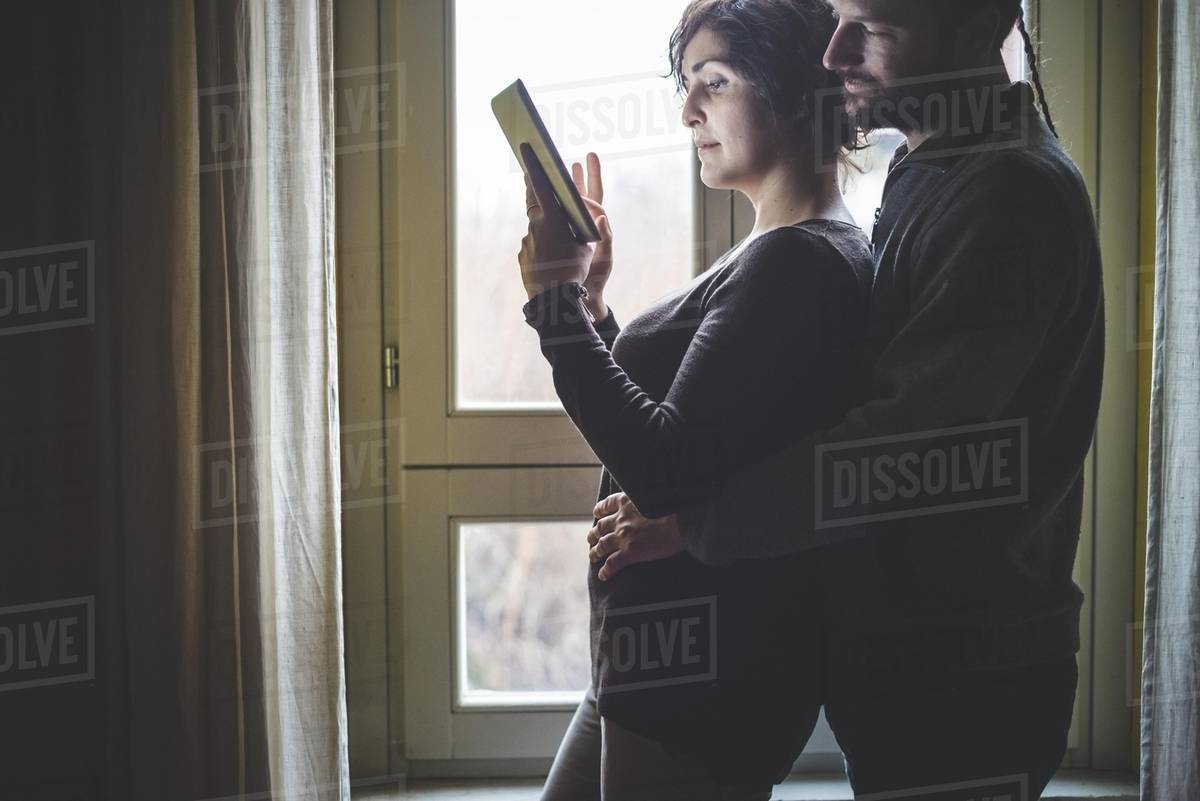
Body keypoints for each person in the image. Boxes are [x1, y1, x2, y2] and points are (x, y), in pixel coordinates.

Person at [584, 1, 1105, 798]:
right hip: (912, 671)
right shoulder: (935, 167)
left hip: (966, 685)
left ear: (979, 24)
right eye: (837, 18)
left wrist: (695, 522)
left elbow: (895, 451)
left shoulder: (1007, 197)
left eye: (874, 27)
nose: (834, 52)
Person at [514, 1, 874, 798]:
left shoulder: (800, 264)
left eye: (713, 83)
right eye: (687, 85)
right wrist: (590, 303)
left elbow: (664, 468)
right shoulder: (779, 249)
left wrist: (555, 304)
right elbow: (691, 434)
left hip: (697, 696)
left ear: (786, 88)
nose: (688, 111)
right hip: (650, 677)